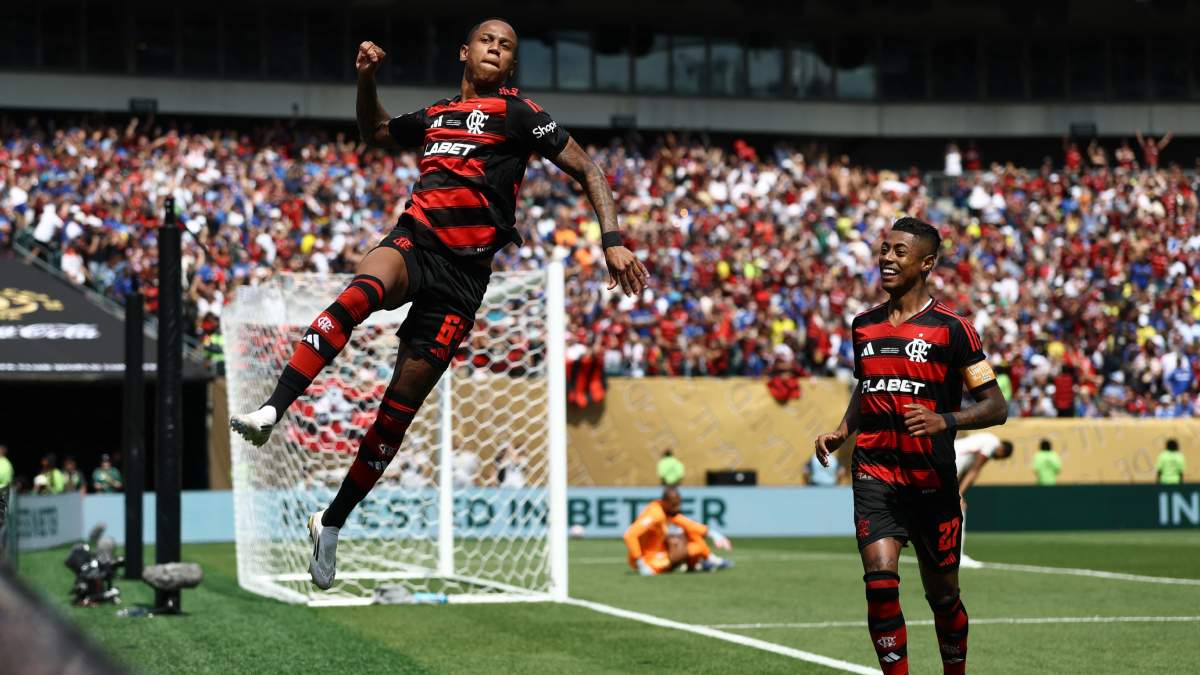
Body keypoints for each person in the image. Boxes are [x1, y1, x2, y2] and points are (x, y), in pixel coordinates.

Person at [231, 18, 648, 590]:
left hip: (464, 277)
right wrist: (365, 80)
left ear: (511, 64)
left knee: (396, 414)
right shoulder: (435, 116)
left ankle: (331, 522)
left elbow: (588, 169)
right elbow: (374, 132)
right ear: (465, 51)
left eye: (506, 46)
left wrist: (613, 239)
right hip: (417, 241)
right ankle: (272, 410)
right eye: (487, 40)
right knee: (358, 293)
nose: (496, 49)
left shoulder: (520, 113)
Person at [814, 217, 1008, 675]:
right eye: (884, 249)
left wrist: (945, 420)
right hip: (875, 472)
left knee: (943, 597)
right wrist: (843, 430)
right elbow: (868, 386)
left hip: (932, 480)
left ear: (926, 264)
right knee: (880, 584)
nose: (887, 258)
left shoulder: (953, 329)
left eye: (899, 252)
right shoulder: (863, 326)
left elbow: (996, 405)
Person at [623, 487, 732, 575]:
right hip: (650, 560)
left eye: (678, 504)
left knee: (693, 538)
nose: (677, 508)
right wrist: (641, 563)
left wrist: (714, 534)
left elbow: (689, 525)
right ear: (665, 502)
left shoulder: (667, 511)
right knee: (694, 546)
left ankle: (706, 560)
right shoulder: (655, 514)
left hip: (661, 552)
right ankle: (704, 561)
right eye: (674, 505)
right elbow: (630, 535)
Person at [953, 433, 1014, 568]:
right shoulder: (992, 445)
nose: (996, 459)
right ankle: (958, 557)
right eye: (1000, 457)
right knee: (960, 509)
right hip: (951, 464)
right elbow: (974, 470)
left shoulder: (985, 440)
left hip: (947, 459)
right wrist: (959, 494)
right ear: (1002, 450)